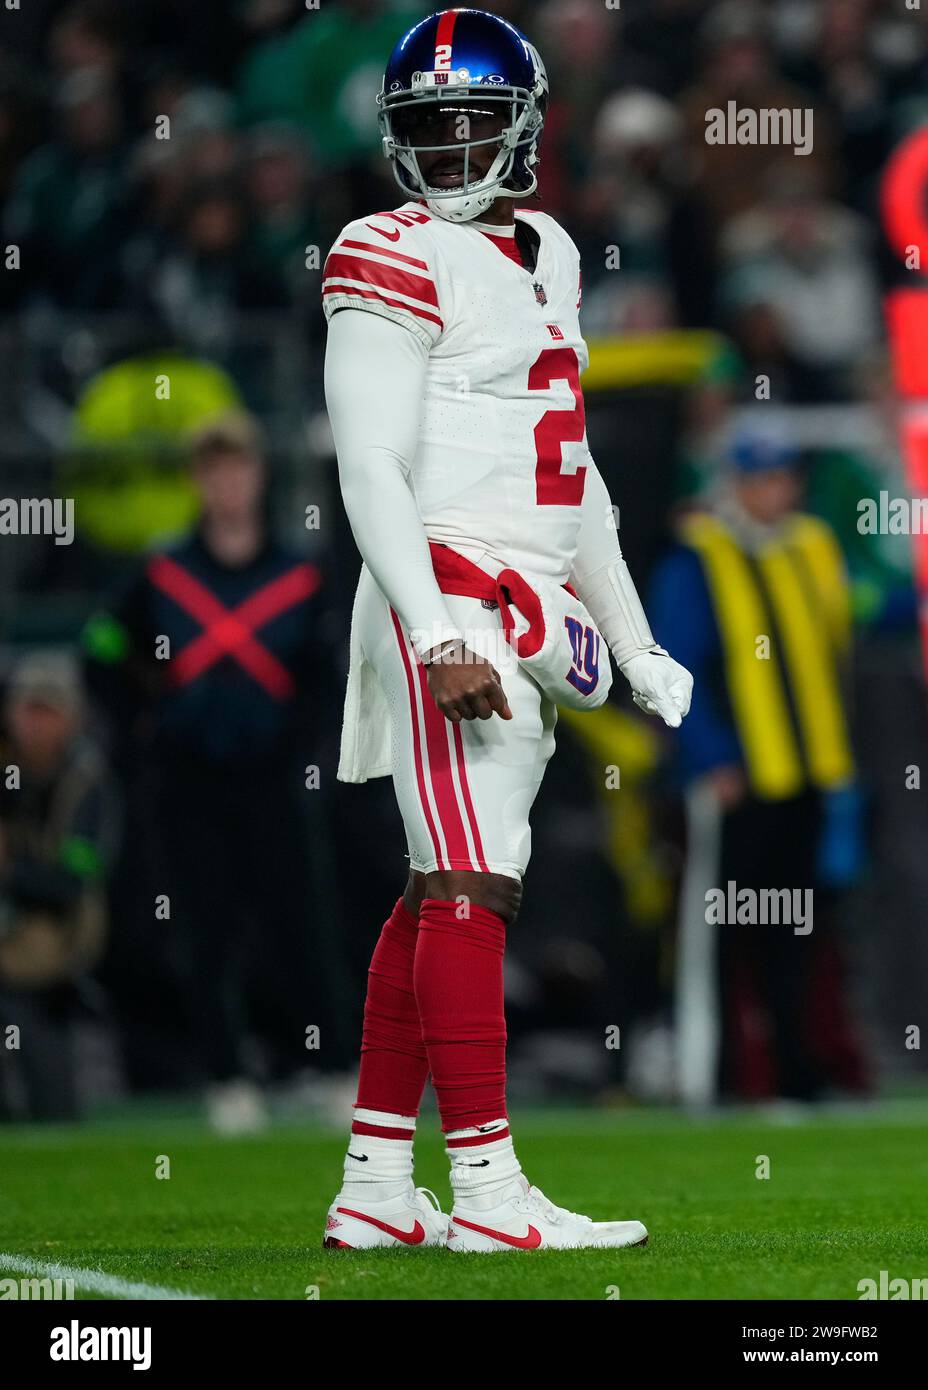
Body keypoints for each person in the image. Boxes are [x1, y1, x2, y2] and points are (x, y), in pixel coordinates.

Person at [321, 9, 693, 1253]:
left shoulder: (553, 254)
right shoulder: (385, 248)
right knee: (475, 884)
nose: (451, 144)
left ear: (528, 125)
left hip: (528, 605)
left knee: (440, 886)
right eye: (429, 124)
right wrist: (434, 631)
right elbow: (368, 464)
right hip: (449, 599)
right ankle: (485, 1192)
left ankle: (377, 1180)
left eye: (474, 119)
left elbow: (574, 477)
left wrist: (632, 640)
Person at [83, 410, 347, 1131]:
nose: (228, 485)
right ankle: (227, 1077)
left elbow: (329, 672)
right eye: (213, 471)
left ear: (258, 476)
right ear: (198, 482)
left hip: (273, 777)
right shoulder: (163, 570)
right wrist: (140, 729)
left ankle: (328, 1066)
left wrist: (308, 750)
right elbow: (102, 645)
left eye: (238, 469)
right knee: (204, 931)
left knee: (302, 925)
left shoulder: (299, 571)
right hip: (188, 779)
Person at [649, 426, 867, 1104]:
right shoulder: (698, 559)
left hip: (806, 777)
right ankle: (714, 1077)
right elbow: (675, 664)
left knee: (798, 930)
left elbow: (836, 649)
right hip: (737, 784)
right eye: (761, 478)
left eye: (784, 477)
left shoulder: (810, 548)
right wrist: (711, 757)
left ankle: (796, 1076)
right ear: (736, 483)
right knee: (718, 931)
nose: (776, 491)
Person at [0, 652, 117, 1120]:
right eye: (27, 709)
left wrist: (11, 871)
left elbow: (71, 884)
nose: (35, 724)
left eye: (48, 711)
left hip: (56, 939)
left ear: (72, 719)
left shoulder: (89, 783)